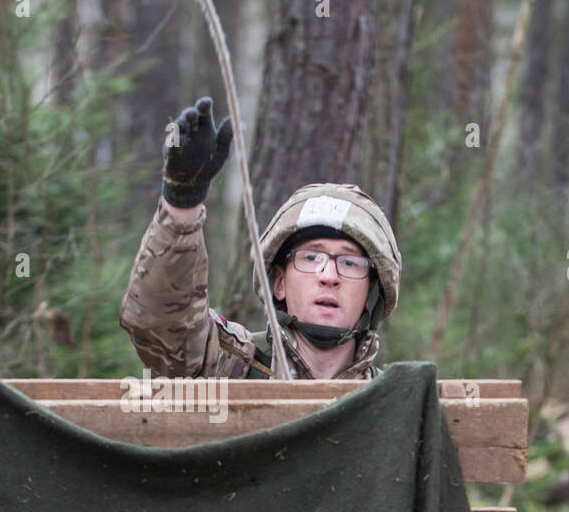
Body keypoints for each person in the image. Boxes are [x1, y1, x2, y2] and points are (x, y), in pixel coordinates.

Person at [120, 96, 402, 381]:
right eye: (312, 257)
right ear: (279, 283)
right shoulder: (227, 366)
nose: (329, 276)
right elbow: (160, 327)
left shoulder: (394, 400)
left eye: (350, 262)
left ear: (371, 293)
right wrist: (182, 204)